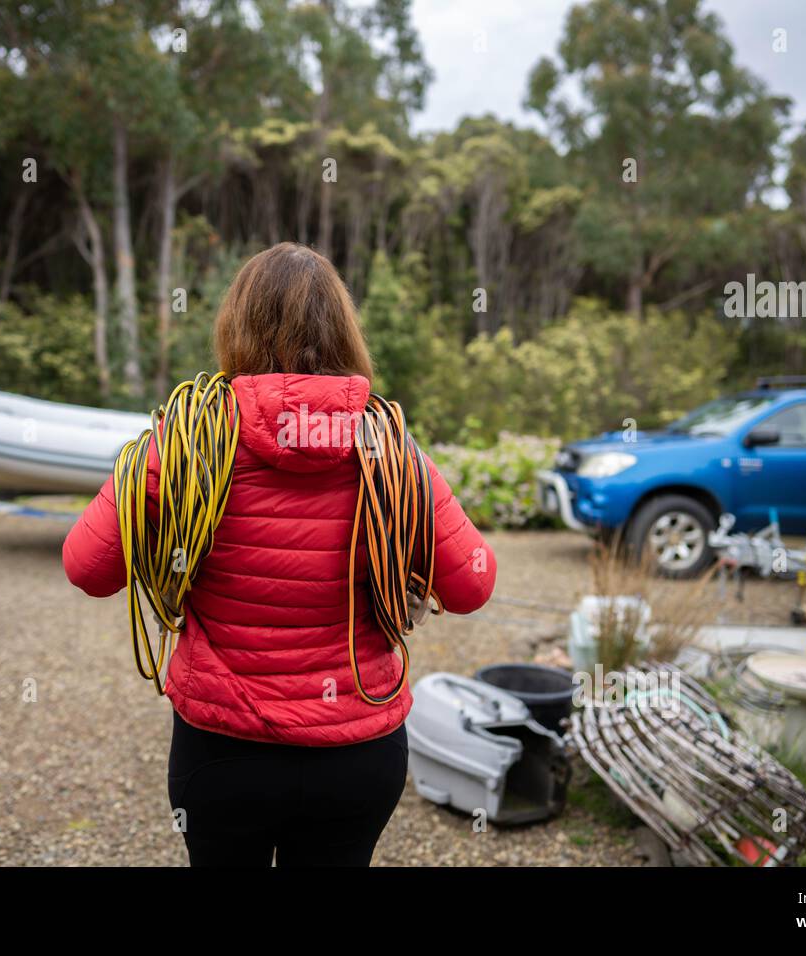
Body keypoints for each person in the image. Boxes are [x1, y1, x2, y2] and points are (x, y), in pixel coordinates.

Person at [63, 242, 495, 867]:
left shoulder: (183, 443)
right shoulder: (393, 451)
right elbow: (473, 585)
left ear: (235, 325)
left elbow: (87, 567)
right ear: (345, 331)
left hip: (223, 755)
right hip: (355, 754)